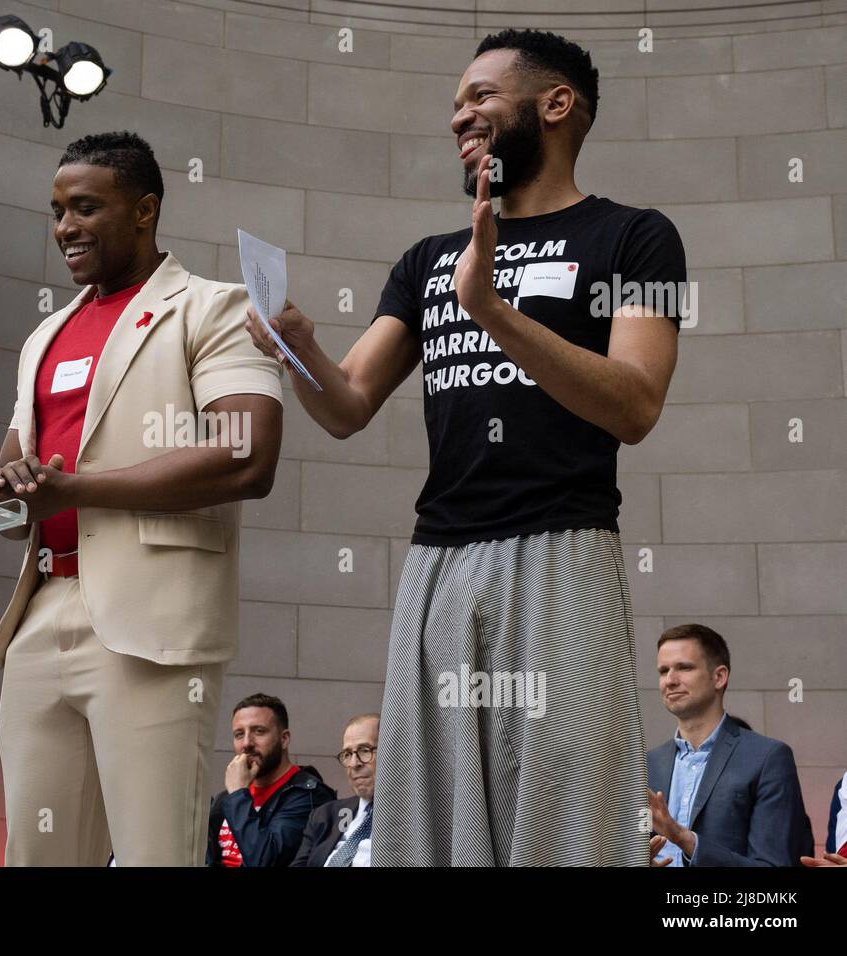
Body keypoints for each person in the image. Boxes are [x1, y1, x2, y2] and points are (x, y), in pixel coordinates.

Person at [245, 28, 685, 866]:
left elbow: (636, 403)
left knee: (565, 818)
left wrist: (492, 311)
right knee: (433, 817)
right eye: (455, 104)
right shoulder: (428, 261)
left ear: (556, 104)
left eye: (480, 96)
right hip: (438, 564)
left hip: (562, 551)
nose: (459, 117)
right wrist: (299, 348)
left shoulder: (638, 237)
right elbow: (346, 406)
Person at [0, 131, 284, 866]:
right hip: (41, 613)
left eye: (85, 208)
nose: (65, 227)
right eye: (56, 212)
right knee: (35, 856)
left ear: (144, 211)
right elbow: (16, 479)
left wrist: (75, 490)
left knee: (154, 854)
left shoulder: (212, 307)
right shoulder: (45, 336)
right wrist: (1, 493)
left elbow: (247, 455)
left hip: (151, 622)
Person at [648, 624, 813, 867]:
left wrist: (686, 840)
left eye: (684, 668)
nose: (670, 680)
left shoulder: (767, 758)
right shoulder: (648, 764)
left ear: (719, 677)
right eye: (663, 671)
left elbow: (772, 865)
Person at [207, 694, 336, 867]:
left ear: (284, 739)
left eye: (259, 731)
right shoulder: (227, 798)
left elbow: (265, 861)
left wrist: (237, 794)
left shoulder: (309, 795)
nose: (247, 743)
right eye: (239, 734)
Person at [293, 713, 379, 867]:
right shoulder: (326, 815)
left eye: (365, 750)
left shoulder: (415, 819)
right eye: (347, 754)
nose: (354, 763)